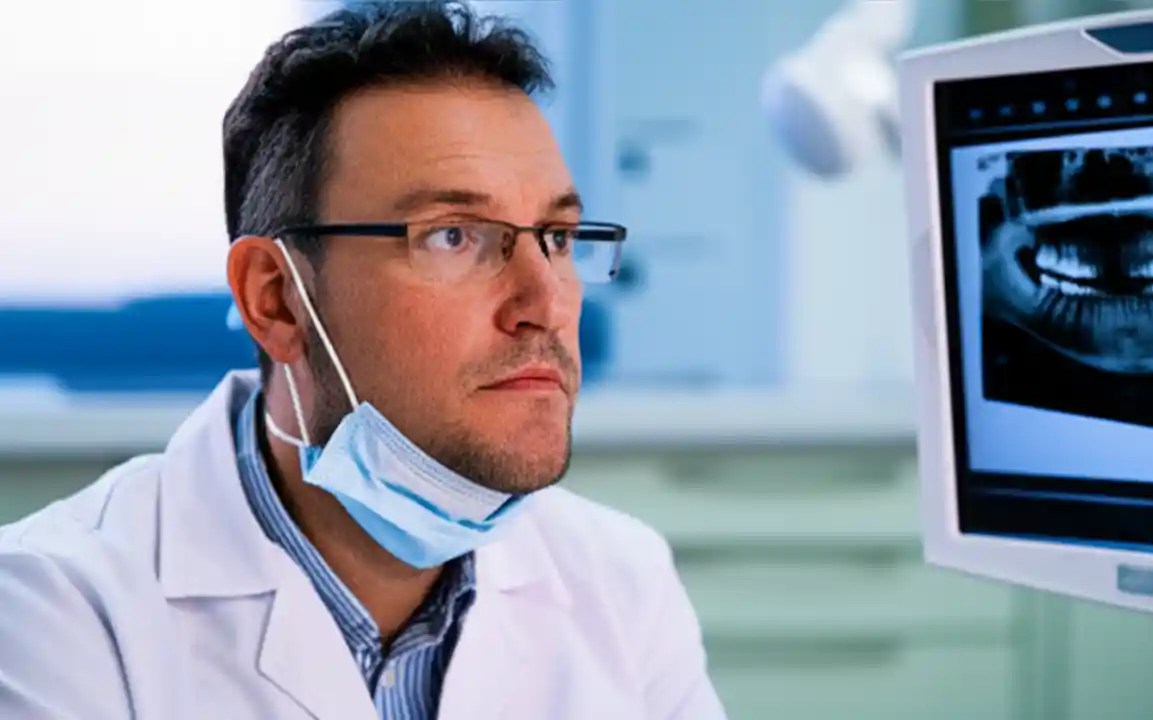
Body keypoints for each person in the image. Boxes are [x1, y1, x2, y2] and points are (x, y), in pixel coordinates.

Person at [0, 3, 726, 719]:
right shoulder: (53, 612)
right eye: (454, 237)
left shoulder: (622, 585)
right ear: (277, 299)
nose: (546, 302)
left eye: (559, 238)